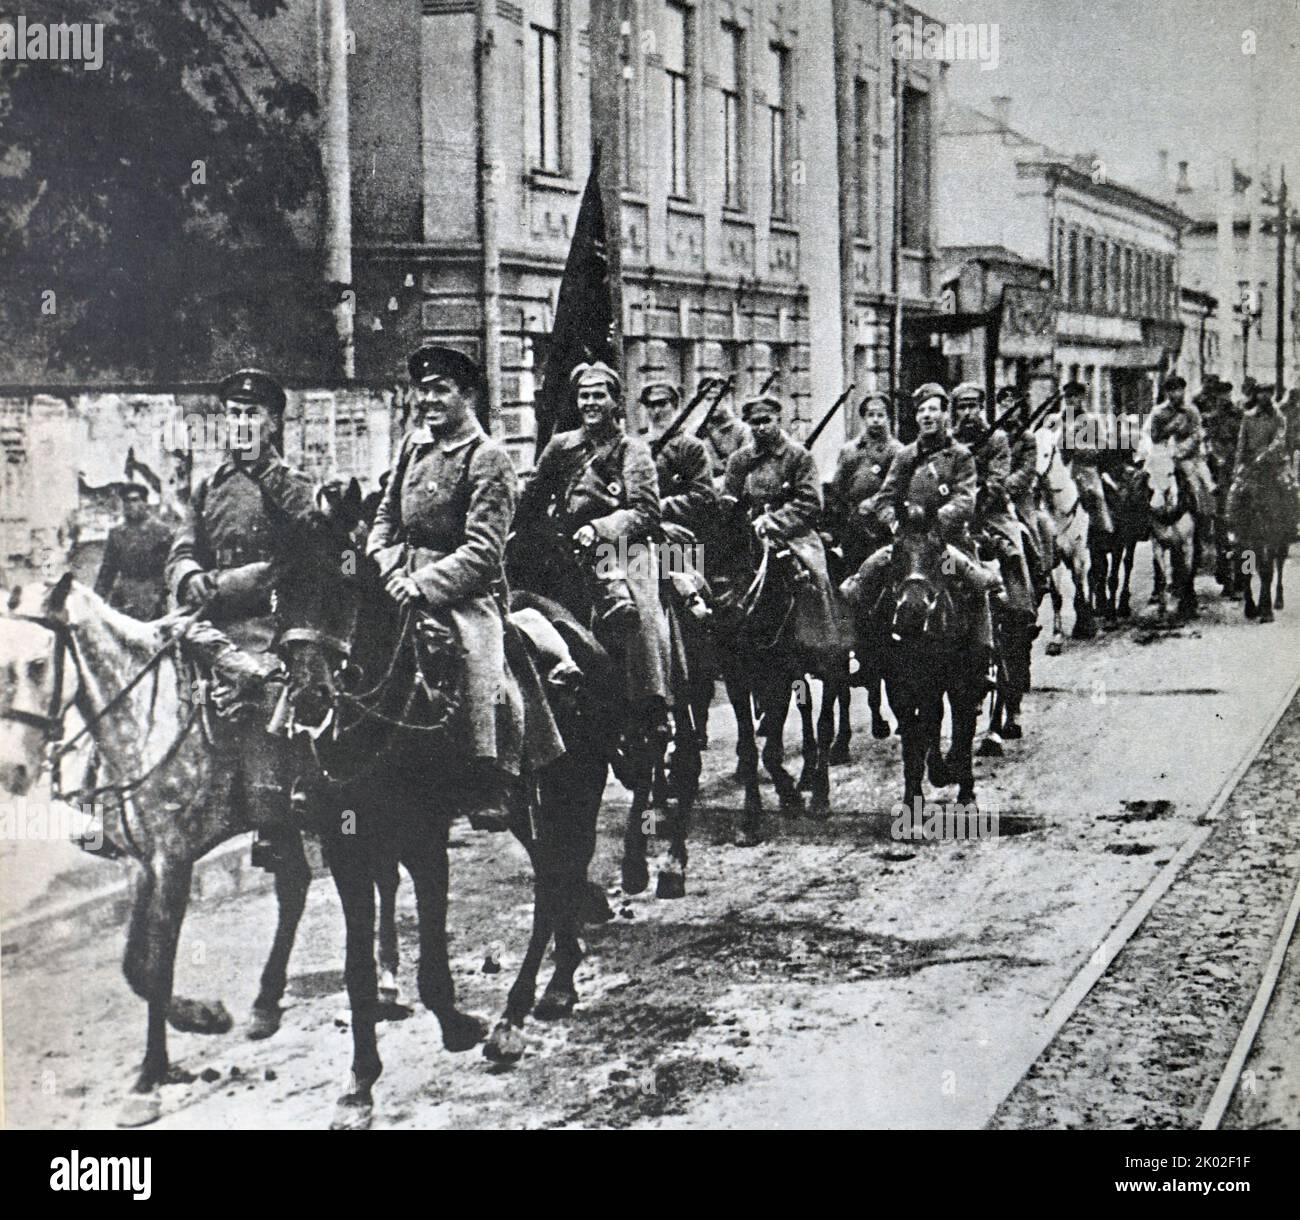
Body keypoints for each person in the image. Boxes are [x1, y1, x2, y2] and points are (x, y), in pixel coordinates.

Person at [368, 345, 563, 831]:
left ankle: (492, 772)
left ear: (467, 395)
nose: (427, 401)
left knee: (483, 662)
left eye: (440, 391)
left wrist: (422, 585)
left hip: (463, 593)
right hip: (399, 578)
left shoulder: (488, 457)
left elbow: (483, 551)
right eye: (422, 390)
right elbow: (384, 520)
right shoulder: (412, 446)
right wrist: (389, 566)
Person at [166, 369, 320, 872]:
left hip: (267, 624)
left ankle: (271, 818)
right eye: (233, 414)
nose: (240, 423)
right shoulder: (211, 484)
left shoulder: (293, 486)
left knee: (260, 689)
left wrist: (229, 584)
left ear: (272, 423)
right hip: (206, 620)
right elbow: (182, 548)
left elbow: (297, 562)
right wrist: (190, 576)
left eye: (251, 414)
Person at [519, 361, 673, 733]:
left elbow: (646, 511)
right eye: (584, 396)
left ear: (615, 402)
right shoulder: (561, 446)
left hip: (619, 548)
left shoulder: (632, 450)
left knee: (638, 613)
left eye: (598, 395)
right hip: (565, 547)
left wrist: (600, 528)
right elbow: (533, 497)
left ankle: (652, 704)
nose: (590, 403)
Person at [848, 384, 1001, 660]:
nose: (927, 415)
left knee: (974, 580)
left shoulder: (960, 456)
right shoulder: (905, 456)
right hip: (907, 543)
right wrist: (896, 524)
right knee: (865, 577)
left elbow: (965, 500)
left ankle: (981, 651)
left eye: (933, 409)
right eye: (921, 410)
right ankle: (867, 652)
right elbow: (885, 499)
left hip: (946, 545)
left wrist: (934, 523)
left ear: (945, 415)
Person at [722, 395, 851, 663]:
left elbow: (810, 502)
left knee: (815, 573)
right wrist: (733, 512)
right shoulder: (739, 460)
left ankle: (823, 644)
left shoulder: (797, 456)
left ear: (778, 420)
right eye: (754, 422)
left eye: (766, 421)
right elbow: (729, 498)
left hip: (794, 533)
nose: (761, 428)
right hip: (749, 532)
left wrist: (773, 522)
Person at [952, 382, 1035, 621]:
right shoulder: (948, 441)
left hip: (991, 513)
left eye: (973, 406)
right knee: (941, 558)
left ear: (981, 408)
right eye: (962, 407)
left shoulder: (997, 439)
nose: (968, 413)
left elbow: (998, 479)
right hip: (956, 517)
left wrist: (980, 498)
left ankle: (1021, 611)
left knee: (1013, 551)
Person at [1227, 382, 1293, 623]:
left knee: (1291, 490)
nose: (1264, 396)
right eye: (1261, 393)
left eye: (1268, 393)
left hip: (1273, 468)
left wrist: (1264, 457)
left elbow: (1279, 442)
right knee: (1235, 498)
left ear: (1272, 395)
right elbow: (1240, 446)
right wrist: (1238, 470)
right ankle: (1248, 594)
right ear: (1255, 395)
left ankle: (1291, 525)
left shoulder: (1279, 418)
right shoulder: (1248, 418)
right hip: (1250, 472)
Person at [826, 392, 902, 573]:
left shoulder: (898, 451)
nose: (875, 420)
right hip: (853, 527)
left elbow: (899, 487)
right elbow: (837, 491)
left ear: (889, 418)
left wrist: (874, 503)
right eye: (871, 415)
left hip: (883, 528)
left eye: (880, 415)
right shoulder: (850, 451)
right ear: (863, 418)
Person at [1142, 373, 1214, 563]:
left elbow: (1198, 434)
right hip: (1162, 456)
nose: (1176, 394)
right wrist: (1164, 443)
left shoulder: (1192, 411)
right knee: (1143, 482)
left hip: (1186, 457)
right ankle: (1143, 521)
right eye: (1172, 390)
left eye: (1179, 390)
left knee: (1197, 485)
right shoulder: (1158, 412)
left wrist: (1182, 450)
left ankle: (1202, 522)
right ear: (1166, 393)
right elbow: (1152, 435)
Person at [94, 482, 172, 619]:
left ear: (145, 503)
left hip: (152, 595)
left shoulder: (161, 531)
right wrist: (95, 600)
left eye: (135, 500)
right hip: (123, 595)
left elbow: (169, 568)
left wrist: (159, 595)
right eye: (126, 501)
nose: (130, 505)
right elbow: (107, 571)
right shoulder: (116, 533)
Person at [1059, 381, 1114, 535]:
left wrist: (1083, 450)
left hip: (1085, 469)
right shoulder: (1058, 420)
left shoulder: (1092, 420)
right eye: (1067, 397)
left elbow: (1103, 443)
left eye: (1074, 396)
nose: (1070, 400)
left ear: (1082, 397)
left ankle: (1102, 529)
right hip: (1061, 469)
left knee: (1096, 495)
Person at [700, 396, 753, 482]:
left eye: (718, 398)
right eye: (708, 399)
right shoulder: (696, 429)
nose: (713, 404)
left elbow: (745, 469)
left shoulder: (742, 430)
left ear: (728, 399)